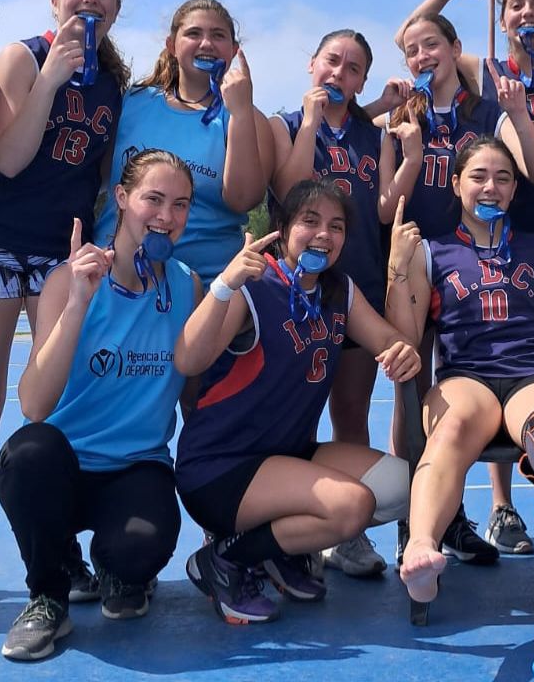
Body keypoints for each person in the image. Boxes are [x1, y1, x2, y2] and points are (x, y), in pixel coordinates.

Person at [0, 0, 129, 611]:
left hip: (58, 249)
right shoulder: (22, 57)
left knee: (56, 399)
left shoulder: (113, 80)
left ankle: (58, 545)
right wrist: (50, 79)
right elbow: (13, 160)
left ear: (116, 3)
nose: (89, 0)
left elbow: (104, 182)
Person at [394, 0, 534, 555]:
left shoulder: (505, 95)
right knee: (417, 382)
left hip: (507, 247)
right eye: (515, 5)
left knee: (530, 361)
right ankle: (420, 527)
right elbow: (414, 32)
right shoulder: (408, 107)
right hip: (429, 254)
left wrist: (531, 117)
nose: (425, 56)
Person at [175, 179, 419, 625]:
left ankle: (276, 550)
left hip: (286, 455)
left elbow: (392, 341)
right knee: (352, 506)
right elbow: (188, 358)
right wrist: (225, 284)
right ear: (283, 227)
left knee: (407, 487)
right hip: (222, 467)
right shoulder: (253, 284)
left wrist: (398, 276)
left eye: (337, 226)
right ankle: (226, 559)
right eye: (310, 221)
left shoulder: (337, 289)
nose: (324, 234)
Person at [388, 137, 534, 609]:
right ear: (456, 185)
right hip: (464, 379)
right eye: (478, 176)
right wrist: (397, 270)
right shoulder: (431, 251)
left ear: (514, 191)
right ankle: (422, 550)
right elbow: (405, 338)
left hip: (532, 375)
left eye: (503, 178)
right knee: (451, 426)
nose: (491, 187)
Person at [0, 150, 196, 660]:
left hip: (136, 467)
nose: (166, 217)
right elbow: (35, 403)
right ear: (124, 200)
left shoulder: (187, 286)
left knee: (140, 550)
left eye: (180, 205)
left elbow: (196, 394)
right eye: (153, 199)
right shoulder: (70, 279)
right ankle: (48, 593)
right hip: (62, 464)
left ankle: (113, 567)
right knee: (27, 453)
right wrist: (79, 302)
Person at [268, 29, 408, 576]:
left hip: (358, 290)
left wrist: (392, 128)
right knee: (291, 410)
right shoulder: (285, 124)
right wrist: (309, 121)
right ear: (311, 63)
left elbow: (379, 211)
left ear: (362, 81)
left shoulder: (373, 136)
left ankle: (349, 537)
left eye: (353, 69)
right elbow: (288, 189)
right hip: (297, 292)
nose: (339, 74)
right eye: (332, 61)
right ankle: (296, 523)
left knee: (351, 410)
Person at [95, 0, 272, 288]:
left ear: (234, 50)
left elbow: (244, 199)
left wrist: (240, 113)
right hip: (114, 276)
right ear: (171, 45)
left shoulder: (249, 119)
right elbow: (98, 178)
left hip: (207, 288)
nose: (206, 43)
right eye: (193, 33)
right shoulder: (132, 102)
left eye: (218, 36)